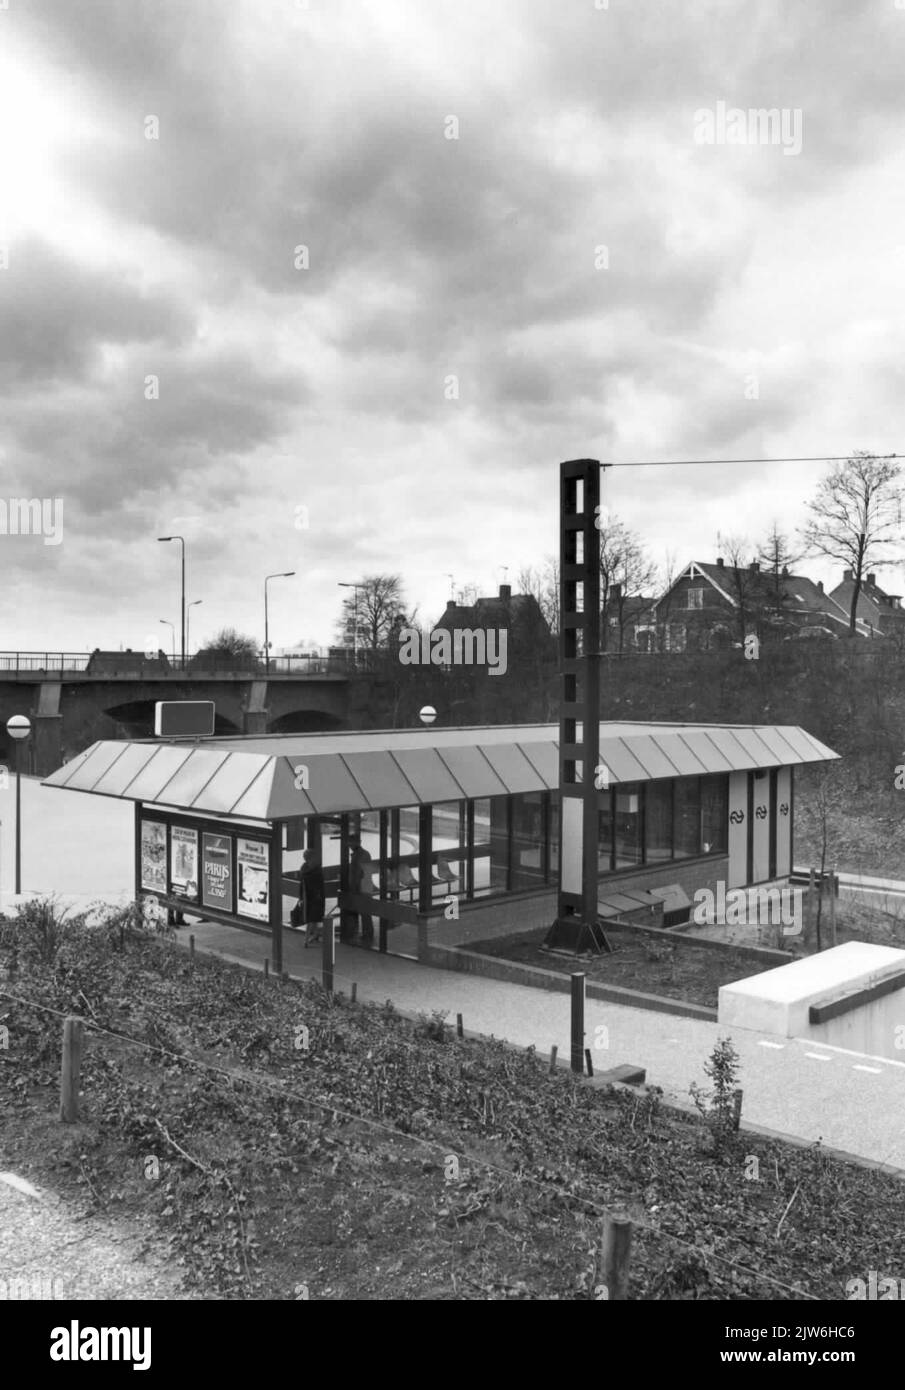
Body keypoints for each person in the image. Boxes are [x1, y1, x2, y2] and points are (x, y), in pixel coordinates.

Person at [349, 836, 374, 946]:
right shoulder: (363, 854)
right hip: (364, 886)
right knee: (365, 911)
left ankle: (367, 934)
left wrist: (354, 887)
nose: (350, 845)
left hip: (362, 887)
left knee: (365, 911)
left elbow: (359, 872)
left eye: (351, 843)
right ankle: (367, 933)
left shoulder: (360, 855)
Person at [299, 848, 326, 948]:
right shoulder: (317, 870)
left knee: (311, 918)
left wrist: (301, 897)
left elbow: (302, 885)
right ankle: (308, 939)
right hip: (317, 897)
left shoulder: (303, 869)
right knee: (314, 918)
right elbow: (320, 885)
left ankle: (313, 935)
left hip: (307, 897)